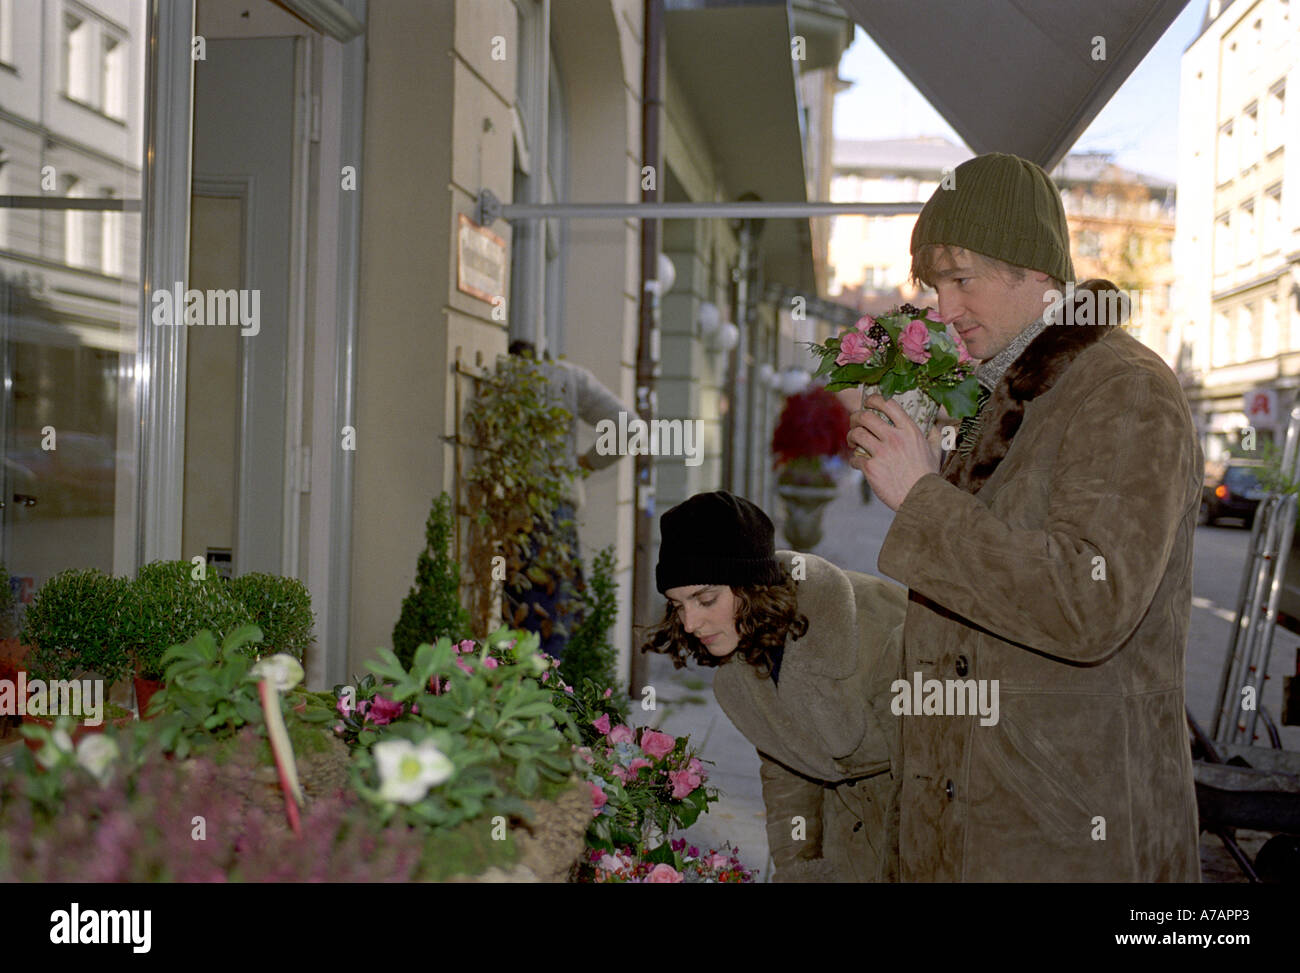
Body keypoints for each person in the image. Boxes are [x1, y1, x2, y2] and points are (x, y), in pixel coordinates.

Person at [847, 152, 1202, 881]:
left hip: (1064, 833)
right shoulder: (1007, 393)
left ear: (1035, 271)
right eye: (934, 286)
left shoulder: (1124, 389)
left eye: (961, 280)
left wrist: (921, 496)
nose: (944, 310)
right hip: (982, 823)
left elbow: (1089, 601)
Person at [642, 490, 908, 882]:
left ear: (752, 585)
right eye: (678, 605)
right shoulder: (746, 655)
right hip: (850, 839)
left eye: (705, 599)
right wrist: (800, 871)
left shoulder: (878, 629)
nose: (689, 623)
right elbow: (788, 776)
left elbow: (939, 775)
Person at [505, 340, 632, 658]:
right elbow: (629, 427)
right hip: (554, 512)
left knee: (511, 616)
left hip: (504, 510)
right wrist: (585, 464)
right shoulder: (566, 376)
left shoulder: (499, 374)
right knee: (555, 615)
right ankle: (553, 683)